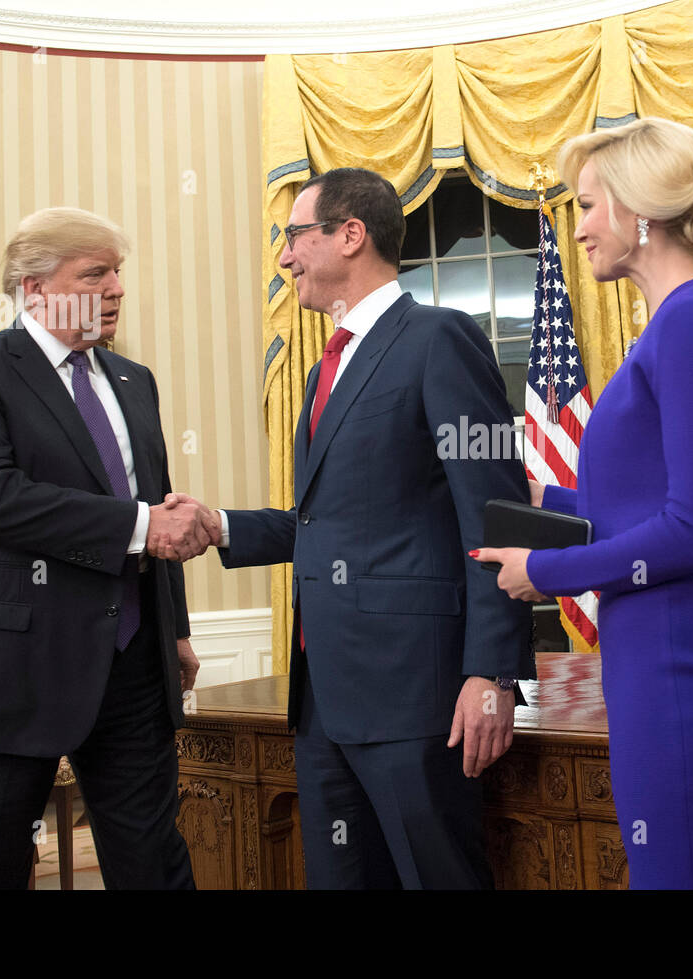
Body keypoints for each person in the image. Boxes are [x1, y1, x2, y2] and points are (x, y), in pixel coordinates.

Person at [178, 167, 533, 889]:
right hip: (324, 703)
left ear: (350, 235)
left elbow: (494, 515)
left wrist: (492, 671)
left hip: (415, 696)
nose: (284, 258)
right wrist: (219, 525)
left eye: (294, 237)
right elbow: (328, 523)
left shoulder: (441, 339)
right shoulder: (323, 372)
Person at [473, 117, 693, 888]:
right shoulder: (676, 323)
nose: (580, 230)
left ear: (641, 211)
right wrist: (548, 498)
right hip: (649, 665)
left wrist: (550, 567)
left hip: (674, 670)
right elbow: (650, 507)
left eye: (589, 206)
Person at [0, 206, 212, 889]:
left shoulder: (135, 381)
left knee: (155, 864)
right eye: (95, 272)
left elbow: (156, 510)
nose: (117, 288)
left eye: (119, 272)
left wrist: (178, 632)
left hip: (133, 665)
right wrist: (139, 526)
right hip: (5, 667)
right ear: (33, 286)